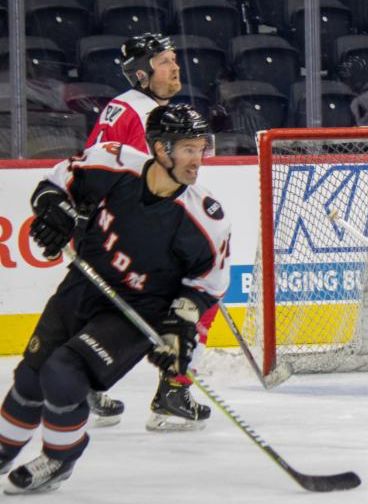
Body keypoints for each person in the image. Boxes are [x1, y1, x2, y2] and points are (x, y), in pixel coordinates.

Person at [0, 104, 230, 494]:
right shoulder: (112, 164)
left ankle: (60, 458)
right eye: (188, 149)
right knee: (30, 377)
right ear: (160, 149)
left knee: (62, 372)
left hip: (136, 312)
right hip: (84, 285)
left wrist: (179, 327)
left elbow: (207, 284)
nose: (198, 159)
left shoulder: (204, 217)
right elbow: (54, 185)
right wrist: (53, 210)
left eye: (201, 148)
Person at [82, 33, 216, 430]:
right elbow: (104, 168)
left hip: (127, 231)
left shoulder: (145, 109)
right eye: (164, 61)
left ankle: (86, 381)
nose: (175, 67)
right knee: (191, 304)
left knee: (128, 314)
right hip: (127, 233)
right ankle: (172, 393)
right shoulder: (134, 111)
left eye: (175, 59)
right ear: (141, 73)